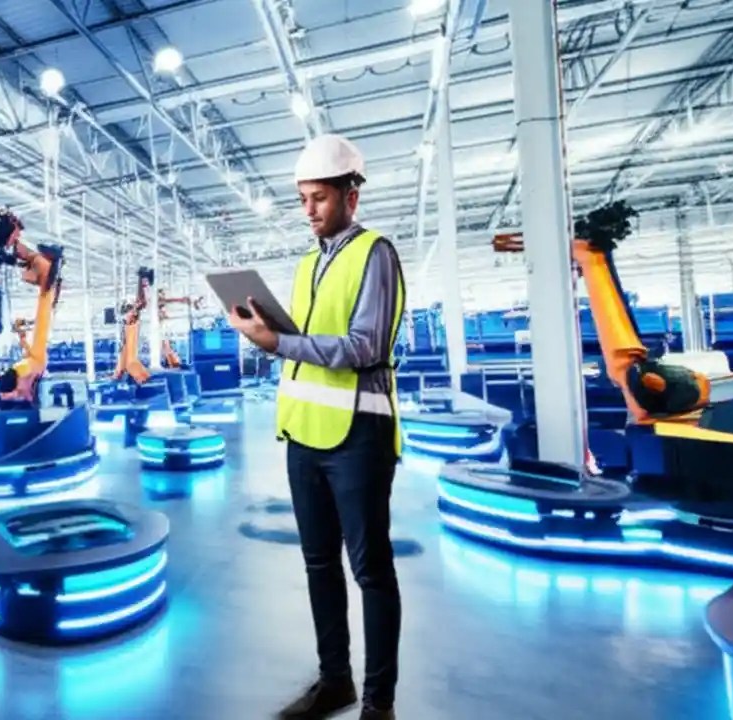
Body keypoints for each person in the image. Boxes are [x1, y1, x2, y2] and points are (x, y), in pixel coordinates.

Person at [227, 133, 406, 720]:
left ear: (351, 196)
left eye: (320, 198)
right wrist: (264, 335)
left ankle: (379, 703)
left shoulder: (375, 253)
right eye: (303, 198)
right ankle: (336, 681)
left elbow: (364, 344)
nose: (308, 211)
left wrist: (278, 341)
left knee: (371, 571)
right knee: (318, 565)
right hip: (303, 433)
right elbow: (302, 343)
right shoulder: (307, 264)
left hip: (359, 433)